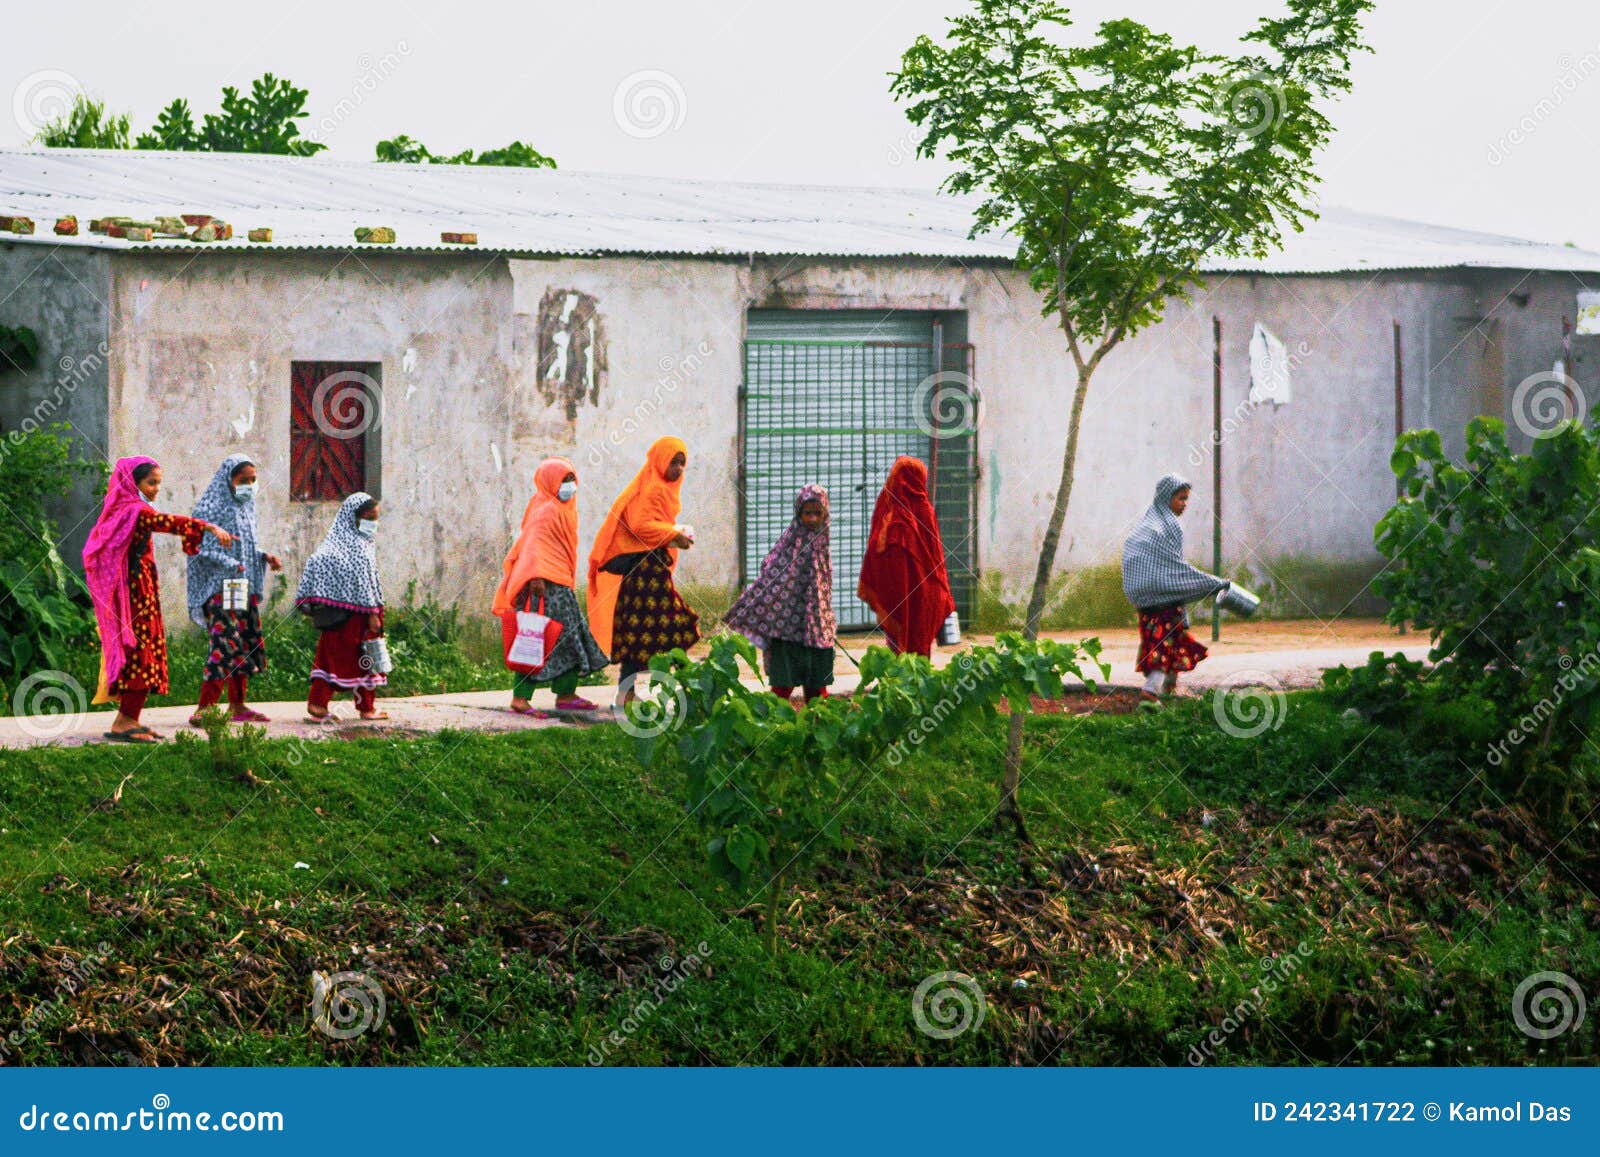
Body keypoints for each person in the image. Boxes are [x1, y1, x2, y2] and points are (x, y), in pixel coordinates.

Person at [83, 456, 235, 743]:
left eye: (157, 483)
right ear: (133, 483)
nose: (155, 489)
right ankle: (124, 722)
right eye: (150, 483)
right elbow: (165, 521)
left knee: (147, 650)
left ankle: (129, 719)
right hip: (136, 596)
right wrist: (207, 527)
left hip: (143, 591)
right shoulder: (134, 511)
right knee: (141, 653)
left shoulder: (124, 511)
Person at [587, 436, 700, 708]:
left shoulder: (665, 489)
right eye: (673, 462)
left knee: (649, 632)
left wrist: (673, 537)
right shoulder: (652, 488)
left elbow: (652, 528)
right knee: (670, 626)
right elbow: (641, 526)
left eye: (682, 463)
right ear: (661, 461)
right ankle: (668, 690)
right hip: (643, 575)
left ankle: (651, 691)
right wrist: (673, 534)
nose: (678, 469)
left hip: (653, 571)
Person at [493, 458, 609, 715]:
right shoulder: (545, 509)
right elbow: (534, 545)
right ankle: (520, 698)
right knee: (533, 640)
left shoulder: (565, 510)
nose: (569, 486)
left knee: (568, 640)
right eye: (563, 480)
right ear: (550, 482)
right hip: (541, 587)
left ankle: (566, 694)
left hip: (560, 586)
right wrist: (535, 577)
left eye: (571, 480)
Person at [185, 454, 282, 725]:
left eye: (253, 480)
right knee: (224, 642)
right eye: (243, 480)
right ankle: (206, 707)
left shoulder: (246, 505)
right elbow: (199, 548)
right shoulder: (210, 508)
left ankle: (237, 705)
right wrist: (231, 564)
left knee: (243, 642)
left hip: (241, 584)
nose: (249, 486)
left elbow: (245, 546)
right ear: (228, 479)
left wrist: (263, 556)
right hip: (220, 586)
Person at [724, 484, 836, 703]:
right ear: (798, 514)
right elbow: (770, 575)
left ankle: (816, 724)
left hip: (817, 627)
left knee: (817, 689)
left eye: (817, 513)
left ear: (825, 514)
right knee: (782, 687)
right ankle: (773, 724)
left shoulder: (823, 542)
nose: (812, 519)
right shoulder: (789, 544)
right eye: (807, 513)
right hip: (787, 628)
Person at [1121, 473, 1229, 701]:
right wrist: (1210, 584)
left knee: (1166, 642)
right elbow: (1174, 568)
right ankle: (1151, 692)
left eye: (1186, 499)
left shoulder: (1146, 523)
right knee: (1164, 645)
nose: (1184, 504)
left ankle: (1169, 688)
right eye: (1180, 498)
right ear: (1165, 498)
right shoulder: (1170, 526)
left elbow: (1160, 564)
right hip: (1166, 602)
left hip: (1147, 602)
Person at [295, 493, 387, 722]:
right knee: (366, 660)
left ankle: (319, 704)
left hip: (334, 619)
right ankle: (366, 708)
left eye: (375, 518)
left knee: (331, 658)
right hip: (357, 620)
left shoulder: (333, 546)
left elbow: (315, 566)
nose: (373, 523)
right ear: (353, 518)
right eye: (369, 518)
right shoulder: (357, 547)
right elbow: (364, 584)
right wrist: (373, 613)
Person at [857, 456, 956, 658]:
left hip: (900, 590)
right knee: (919, 642)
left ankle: (900, 683)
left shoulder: (888, 508)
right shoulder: (921, 507)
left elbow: (876, 549)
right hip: (923, 590)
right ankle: (916, 683)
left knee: (900, 641)